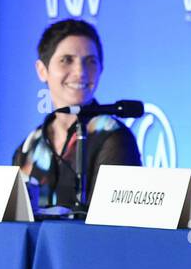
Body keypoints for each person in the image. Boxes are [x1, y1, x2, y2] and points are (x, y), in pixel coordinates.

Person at [12, 19, 141, 208]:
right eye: (66, 60)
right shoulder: (30, 145)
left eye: (90, 62)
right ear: (42, 70)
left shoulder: (114, 138)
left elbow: (116, 224)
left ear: (101, 69)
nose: (80, 71)